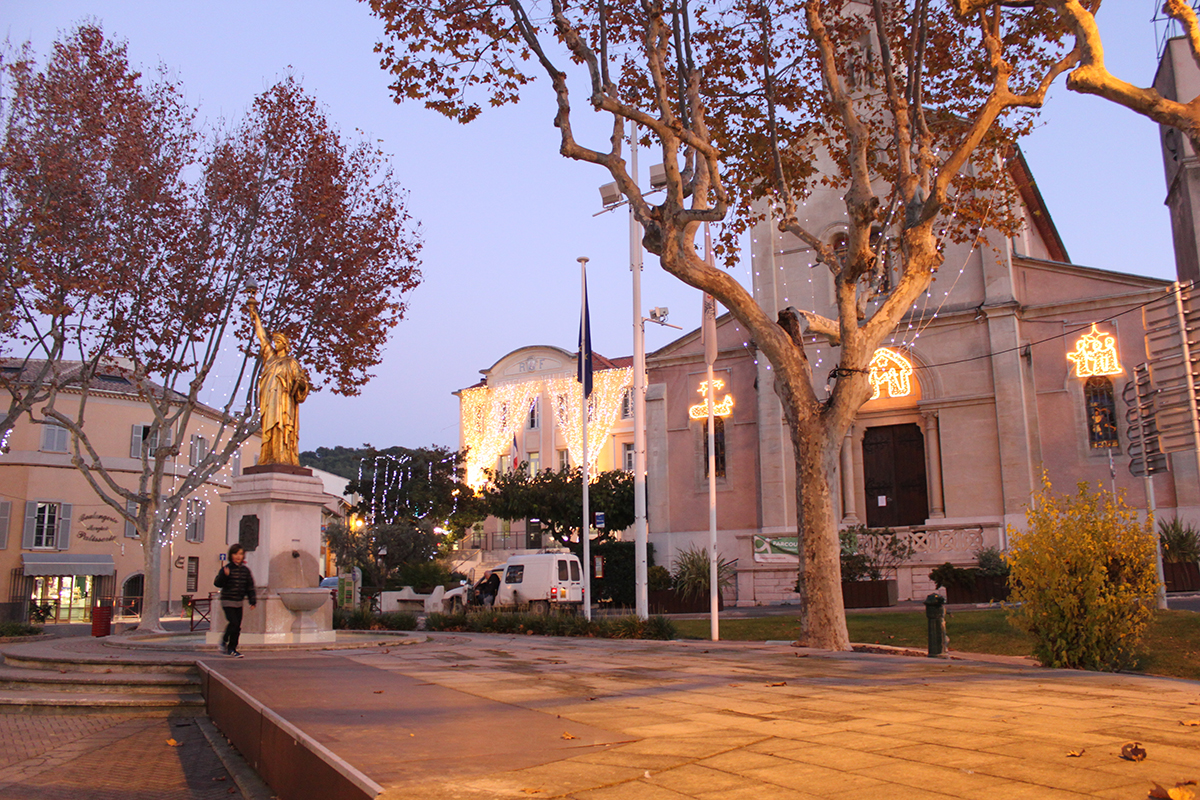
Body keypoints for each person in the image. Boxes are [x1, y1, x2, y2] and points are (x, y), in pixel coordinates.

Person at [247, 294, 310, 465]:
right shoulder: (270, 358)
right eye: (274, 341)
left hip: (284, 399)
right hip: (269, 398)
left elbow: (301, 384)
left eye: (278, 341)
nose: (275, 343)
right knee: (270, 428)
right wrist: (254, 313)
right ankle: (269, 457)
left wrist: (302, 385)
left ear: (285, 343)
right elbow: (261, 336)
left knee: (283, 428)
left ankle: (284, 457)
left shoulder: (291, 362)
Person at [214, 543, 257, 657]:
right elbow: (217, 583)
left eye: (240, 554)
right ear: (231, 555)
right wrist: (225, 575)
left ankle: (232, 648)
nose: (238, 556)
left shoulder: (245, 571)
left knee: (237, 626)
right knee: (233, 623)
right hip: (228, 600)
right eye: (236, 554)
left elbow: (250, 587)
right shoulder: (226, 569)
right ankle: (225, 640)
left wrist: (252, 600)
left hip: (238, 602)